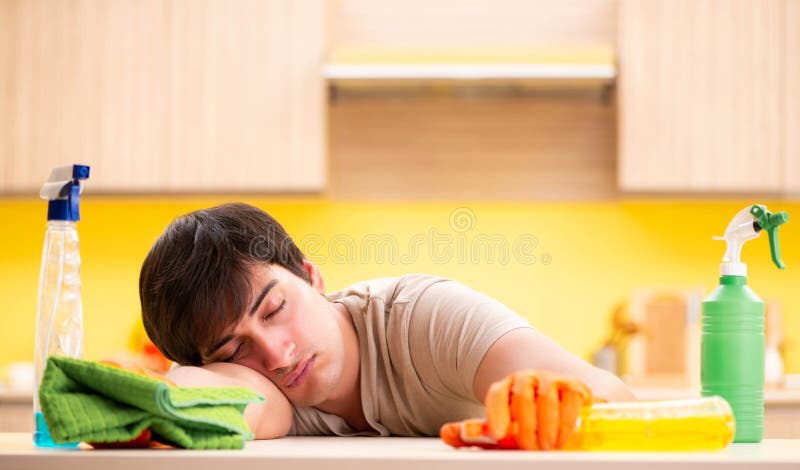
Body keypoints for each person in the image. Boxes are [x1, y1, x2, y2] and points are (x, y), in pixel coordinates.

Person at [139, 203, 634, 450]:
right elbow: (208, 401)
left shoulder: (426, 316)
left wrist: (558, 399)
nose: (278, 356)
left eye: (274, 310)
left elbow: (617, 399)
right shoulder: (267, 392)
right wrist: (152, 399)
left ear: (310, 276)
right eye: (233, 350)